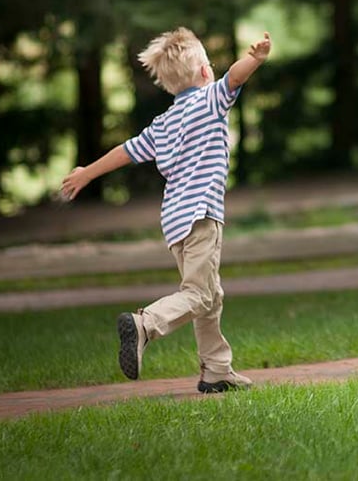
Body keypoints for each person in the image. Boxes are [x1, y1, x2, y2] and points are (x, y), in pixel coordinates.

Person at [60, 27, 272, 393]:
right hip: (201, 215)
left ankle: (217, 370)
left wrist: (86, 173)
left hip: (174, 222)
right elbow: (234, 78)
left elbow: (125, 151)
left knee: (209, 294)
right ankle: (146, 324)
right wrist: (255, 58)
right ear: (206, 72)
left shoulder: (165, 122)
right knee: (200, 294)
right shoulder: (211, 100)